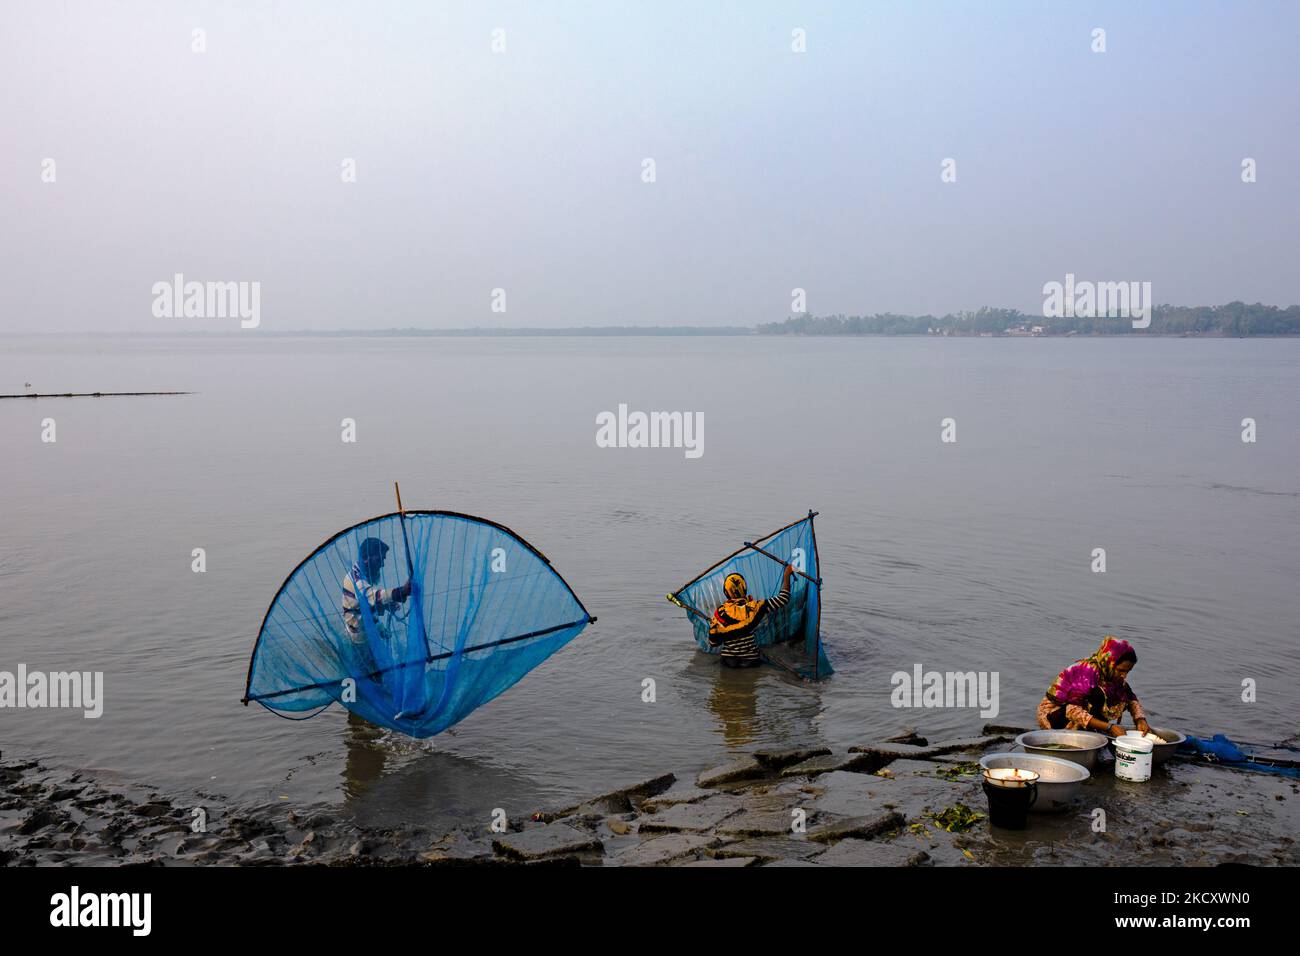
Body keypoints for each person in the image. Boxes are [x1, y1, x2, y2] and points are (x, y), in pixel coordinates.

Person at [1036, 636, 1152, 738]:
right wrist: (1110, 727)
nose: (1124, 675)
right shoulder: (1087, 671)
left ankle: (1093, 730)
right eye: (1121, 670)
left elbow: (1130, 697)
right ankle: (1082, 732)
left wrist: (1140, 720)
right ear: (1110, 663)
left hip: (1076, 711)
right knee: (1098, 694)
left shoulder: (1112, 676)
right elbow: (1072, 710)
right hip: (1054, 715)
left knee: (1112, 692)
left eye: (1128, 671)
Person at [707, 563, 795, 668]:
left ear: (726, 592)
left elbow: (713, 642)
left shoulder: (720, 612)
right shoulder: (756, 606)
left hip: (729, 661)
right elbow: (784, 598)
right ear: (744, 589)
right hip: (751, 660)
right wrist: (787, 574)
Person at [341, 537, 411, 647]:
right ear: (365, 558)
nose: (382, 565)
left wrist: (386, 605)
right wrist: (401, 591)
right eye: (379, 560)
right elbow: (374, 596)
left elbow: (365, 605)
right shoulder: (356, 581)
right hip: (357, 643)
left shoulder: (362, 574)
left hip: (369, 632)